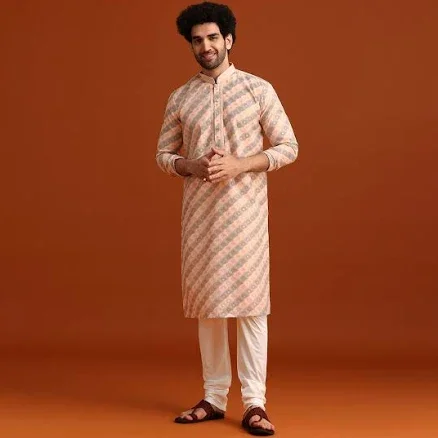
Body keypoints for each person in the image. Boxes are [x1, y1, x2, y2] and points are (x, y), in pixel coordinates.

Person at [156, 1, 298, 435]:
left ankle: (255, 403)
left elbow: (288, 147)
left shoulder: (258, 89)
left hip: (246, 216)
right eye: (197, 40)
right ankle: (214, 397)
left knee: (252, 308)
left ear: (229, 40)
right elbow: (163, 154)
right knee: (209, 307)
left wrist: (240, 164)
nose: (206, 46)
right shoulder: (181, 97)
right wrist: (190, 165)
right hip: (201, 218)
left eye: (213, 37)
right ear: (191, 45)